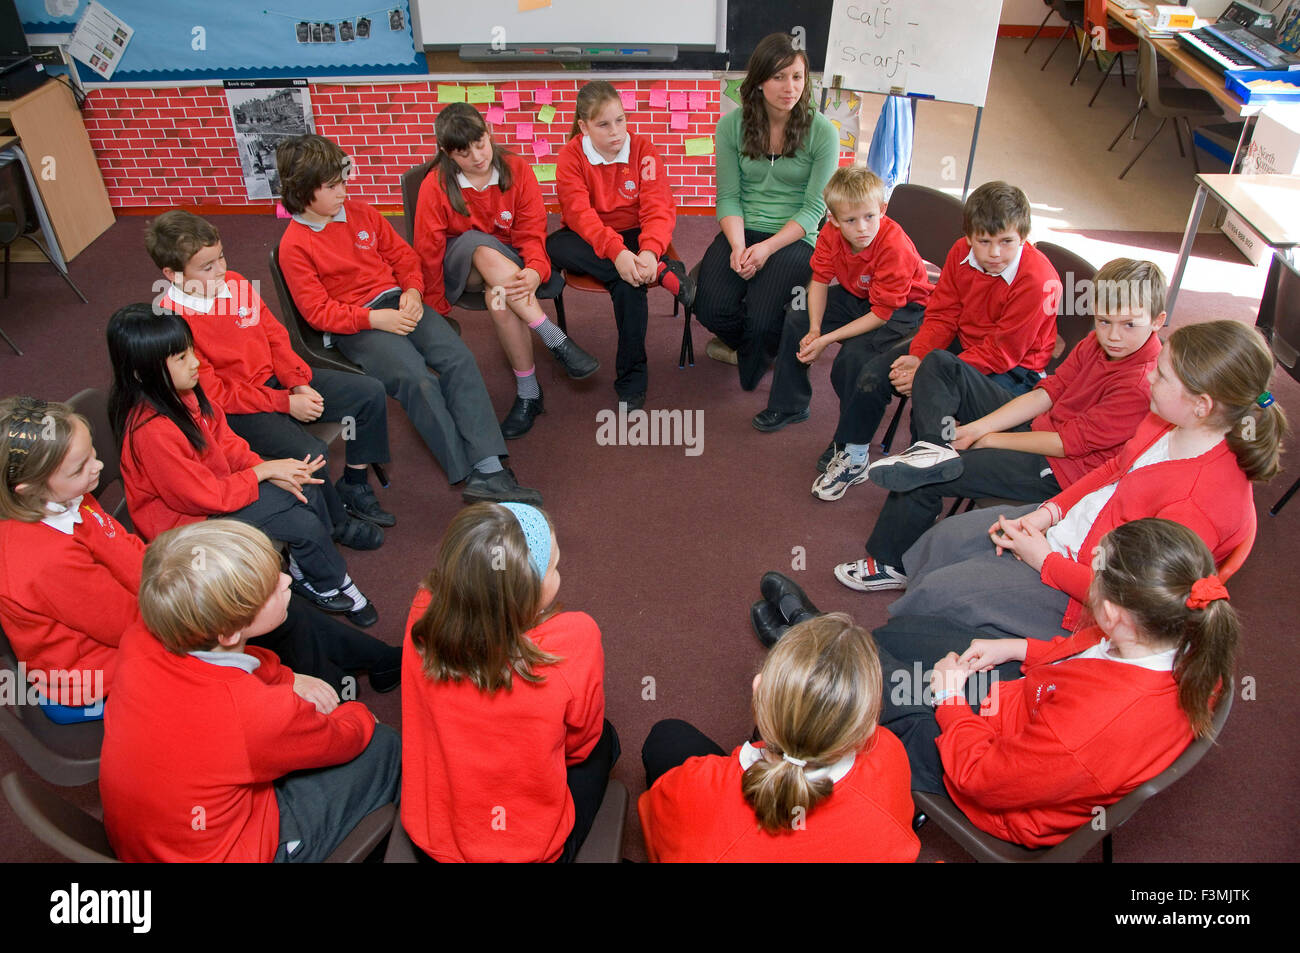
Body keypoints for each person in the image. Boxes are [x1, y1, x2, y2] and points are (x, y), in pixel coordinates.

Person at [887, 320, 1286, 640]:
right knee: (945, 541)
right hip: (1073, 529)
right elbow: (1114, 470)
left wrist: (1044, 559)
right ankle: (927, 630)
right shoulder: (1168, 418)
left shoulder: (1196, 505)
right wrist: (1049, 513)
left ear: (1202, 405)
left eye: (1162, 376)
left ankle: (915, 646)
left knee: (939, 594)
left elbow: (1128, 598)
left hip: (1086, 596)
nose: (1149, 379)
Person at [0, 397, 401, 713]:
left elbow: (130, 552)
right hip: (111, 662)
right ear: (29, 488)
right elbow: (131, 627)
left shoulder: (67, 498)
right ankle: (321, 699)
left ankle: (363, 667)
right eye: (80, 467)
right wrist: (216, 605)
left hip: (147, 605)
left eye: (91, 455)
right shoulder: (41, 563)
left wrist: (199, 581)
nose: (99, 467)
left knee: (272, 600)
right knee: (258, 613)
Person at [874, 518, 1238, 847]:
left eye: (1095, 568)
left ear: (1111, 614)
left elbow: (981, 778)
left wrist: (950, 698)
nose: (1089, 560)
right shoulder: (1181, 639)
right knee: (910, 635)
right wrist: (1016, 648)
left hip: (989, 782)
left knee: (867, 676)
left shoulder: (1095, 726)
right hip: (1027, 715)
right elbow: (1084, 654)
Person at [837, 258, 1166, 591]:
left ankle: (893, 564)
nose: (1112, 335)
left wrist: (987, 438)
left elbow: (1067, 444)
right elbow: (1047, 394)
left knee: (929, 475)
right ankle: (933, 448)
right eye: (1103, 320)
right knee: (939, 365)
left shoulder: (1140, 383)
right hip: (1040, 430)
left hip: (1059, 470)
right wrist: (978, 429)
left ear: (1157, 322)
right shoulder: (1095, 342)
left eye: (1128, 325)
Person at [99, 520, 401, 862]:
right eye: (271, 589)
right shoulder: (253, 713)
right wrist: (359, 715)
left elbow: (239, 668)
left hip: (157, 837)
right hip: (236, 850)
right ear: (228, 634)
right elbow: (342, 740)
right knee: (384, 742)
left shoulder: (143, 633)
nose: (287, 581)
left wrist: (288, 679)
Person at [275, 133, 541, 504]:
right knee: (416, 379)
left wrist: (414, 290)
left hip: (400, 301)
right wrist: (375, 320)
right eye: (333, 186)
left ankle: (490, 466)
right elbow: (318, 313)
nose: (343, 192)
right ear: (304, 192)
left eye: (343, 181)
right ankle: (467, 472)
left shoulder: (361, 211)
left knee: (458, 359)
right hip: (357, 324)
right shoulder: (295, 245)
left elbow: (403, 257)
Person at [106, 304, 378, 627]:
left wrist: (266, 467)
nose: (195, 363)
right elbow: (201, 497)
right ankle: (329, 580)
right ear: (142, 372)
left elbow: (227, 442)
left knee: (303, 480)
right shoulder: (151, 432)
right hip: (190, 522)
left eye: (191, 351)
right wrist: (263, 471)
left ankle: (308, 568)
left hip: (219, 489)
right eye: (181, 358)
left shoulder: (184, 392)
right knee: (302, 521)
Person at [147, 209, 394, 549]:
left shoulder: (234, 282)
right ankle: (336, 525)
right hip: (237, 408)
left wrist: (298, 382)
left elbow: (275, 337)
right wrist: (285, 403)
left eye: (221, 258)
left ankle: (354, 483)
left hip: (278, 384)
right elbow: (215, 393)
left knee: (369, 393)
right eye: (207, 267)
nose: (221, 270)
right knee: (311, 452)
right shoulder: (173, 321)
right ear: (172, 274)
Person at [400, 502, 618, 862]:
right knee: (605, 739)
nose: (560, 573)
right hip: (529, 853)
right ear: (525, 594)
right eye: (553, 567)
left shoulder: (425, 608)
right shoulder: (573, 638)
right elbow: (579, 746)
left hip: (433, 840)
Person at [835, 181, 1062, 504]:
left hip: (1013, 370)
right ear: (969, 237)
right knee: (874, 373)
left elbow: (1002, 353)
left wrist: (928, 373)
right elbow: (942, 314)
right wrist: (919, 357)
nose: (995, 253)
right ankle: (854, 456)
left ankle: (919, 493)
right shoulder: (960, 252)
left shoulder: (1039, 280)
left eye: (1007, 242)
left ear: (1023, 237)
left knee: (929, 409)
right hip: (963, 344)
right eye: (984, 242)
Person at [638, 613, 919, 862]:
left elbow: (661, 829)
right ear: (867, 727)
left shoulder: (702, 786)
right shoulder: (888, 752)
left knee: (668, 737)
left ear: (758, 689)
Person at [414, 103, 599, 438]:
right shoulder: (435, 184)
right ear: (446, 152)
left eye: (481, 143)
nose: (477, 157)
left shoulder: (516, 169)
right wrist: (436, 311)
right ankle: (553, 337)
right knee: (478, 245)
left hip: (509, 265)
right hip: (461, 266)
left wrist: (535, 270)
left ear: (490, 133)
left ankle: (529, 393)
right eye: (463, 152)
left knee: (498, 300)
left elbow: (532, 230)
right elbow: (427, 252)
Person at [750, 165, 933, 500]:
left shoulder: (895, 248)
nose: (861, 228)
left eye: (868, 217)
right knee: (798, 316)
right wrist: (816, 328)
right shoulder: (830, 234)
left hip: (901, 311)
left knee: (853, 360)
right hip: (858, 296)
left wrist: (826, 340)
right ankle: (791, 404)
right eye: (850, 220)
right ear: (833, 219)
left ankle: (848, 443)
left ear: (882, 210)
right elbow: (818, 281)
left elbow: (880, 314)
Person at [692, 32, 839, 389]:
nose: (790, 87)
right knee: (707, 305)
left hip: (795, 237)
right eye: (779, 76)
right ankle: (755, 348)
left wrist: (768, 248)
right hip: (742, 229)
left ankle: (754, 350)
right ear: (759, 81)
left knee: (761, 319)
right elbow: (727, 196)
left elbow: (814, 208)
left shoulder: (823, 133)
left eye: (798, 77)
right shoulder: (730, 126)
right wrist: (741, 247)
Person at [547, 80, 695, 410]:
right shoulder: (570, 155)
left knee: (629, 286)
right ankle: (658, 272)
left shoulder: (642, 149)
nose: (616, 132)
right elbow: (580, 215)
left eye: (621, 119)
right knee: (555, 245)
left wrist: (647, 251)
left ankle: (632, 378)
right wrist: (617, 255)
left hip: (637, 237)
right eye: (603, 124)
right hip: (591, 238)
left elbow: (658, 206)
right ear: (583, 126)